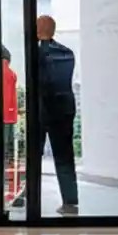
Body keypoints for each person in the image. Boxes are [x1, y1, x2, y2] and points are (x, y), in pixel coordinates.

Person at [37, 15, 79, 214]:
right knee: (65, 156)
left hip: (44, 109)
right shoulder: (68, 53)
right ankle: (70, 201)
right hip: (65, 109)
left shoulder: (36, 55)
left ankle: (31, 200)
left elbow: (43, 82)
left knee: (34, 157)